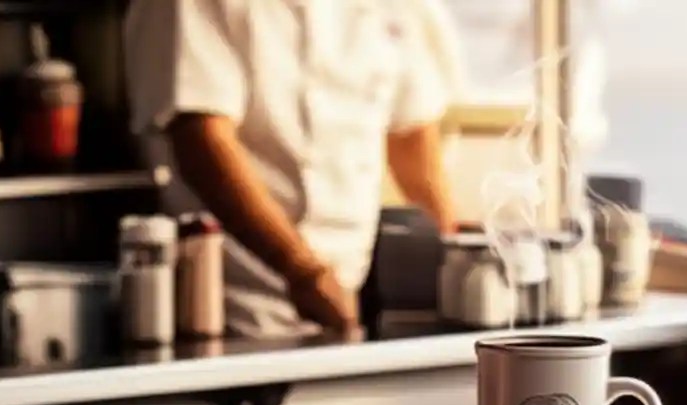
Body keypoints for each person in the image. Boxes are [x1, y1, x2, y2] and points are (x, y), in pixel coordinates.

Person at [124, 0, 457, 338]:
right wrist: (301, 270)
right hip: (226, 295)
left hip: (346, 288)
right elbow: (201, 139)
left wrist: (456, 250)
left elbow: (411, 131)